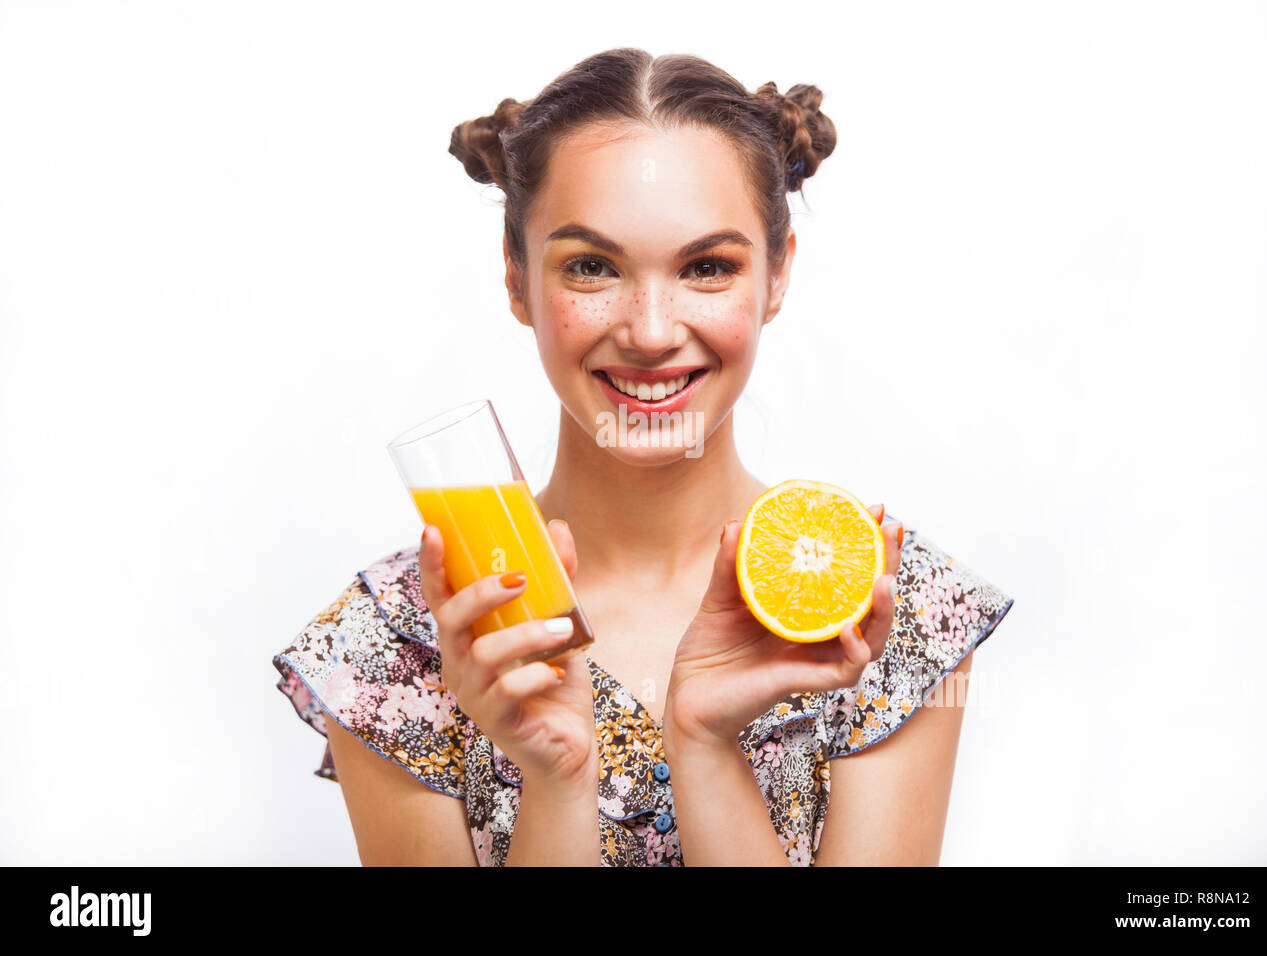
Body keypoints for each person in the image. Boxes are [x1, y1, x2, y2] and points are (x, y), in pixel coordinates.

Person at [272, 47, 1014, 866]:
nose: (653, 331)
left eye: (708, 267)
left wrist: (704, 746)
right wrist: (559, 782)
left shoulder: (879, 607)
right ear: (516, 279)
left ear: (777, 276)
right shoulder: (401, 638)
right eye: (591, 267)